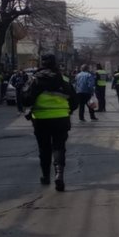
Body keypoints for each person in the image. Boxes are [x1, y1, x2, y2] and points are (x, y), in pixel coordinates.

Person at [23, 53, 76, 191]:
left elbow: (26, 99)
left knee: (44, 148)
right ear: (56, 63)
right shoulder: (63, 79)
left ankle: (46, 176)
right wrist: (67, 111)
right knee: (59, 147)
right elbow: (74, 101)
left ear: (42, 63)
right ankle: (59, 175)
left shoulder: (35, 79)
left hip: (40, 119)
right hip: (61, 118)